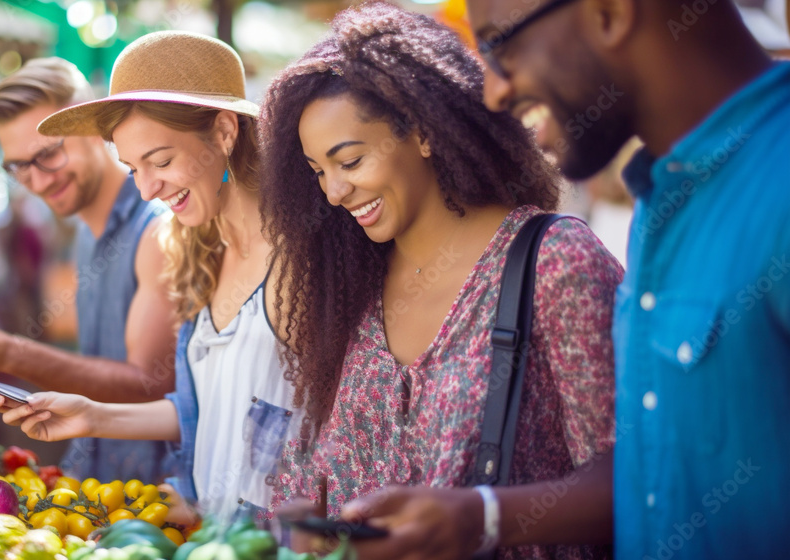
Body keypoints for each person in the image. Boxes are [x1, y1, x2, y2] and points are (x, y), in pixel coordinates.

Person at [259, 3, 622, 558]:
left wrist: (487, 519)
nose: (333, 193)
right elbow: (319, 479)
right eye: (318, 172)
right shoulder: (353, 286)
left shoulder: (555, 261)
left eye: (350, 161)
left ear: (424, 133)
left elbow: (632, 475)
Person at [464, 0, 790, 558]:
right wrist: (481, 518)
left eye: (498, 47)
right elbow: (662, 469)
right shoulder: (660, 199)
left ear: (610, 12)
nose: (493, 92)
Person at [0, 31, 301, 523]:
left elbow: (328, 442)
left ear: (224, 132)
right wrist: (92, 416)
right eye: (133, 168)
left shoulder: (300, 260)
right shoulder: (198, 248)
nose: (148, 188)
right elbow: (208, 409)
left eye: (160, 161)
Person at [0, 58, 177, 484]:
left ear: (92, 124)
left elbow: (149, 384)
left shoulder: (157, 230)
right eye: (18, 166)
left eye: (48, 154)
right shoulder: (86, 232)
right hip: (99, 487)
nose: (35, 181)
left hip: (157, 503)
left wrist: (10, 353)